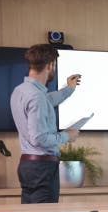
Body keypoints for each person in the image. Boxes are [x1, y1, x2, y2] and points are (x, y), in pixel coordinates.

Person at [10, 44, 82, 203]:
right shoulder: (36, 97)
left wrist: (69, 89)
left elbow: (48, 100)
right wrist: (67, 136)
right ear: (50, 65)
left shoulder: (20, 91)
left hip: (29, 166)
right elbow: (39, 138)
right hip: (42, 168)